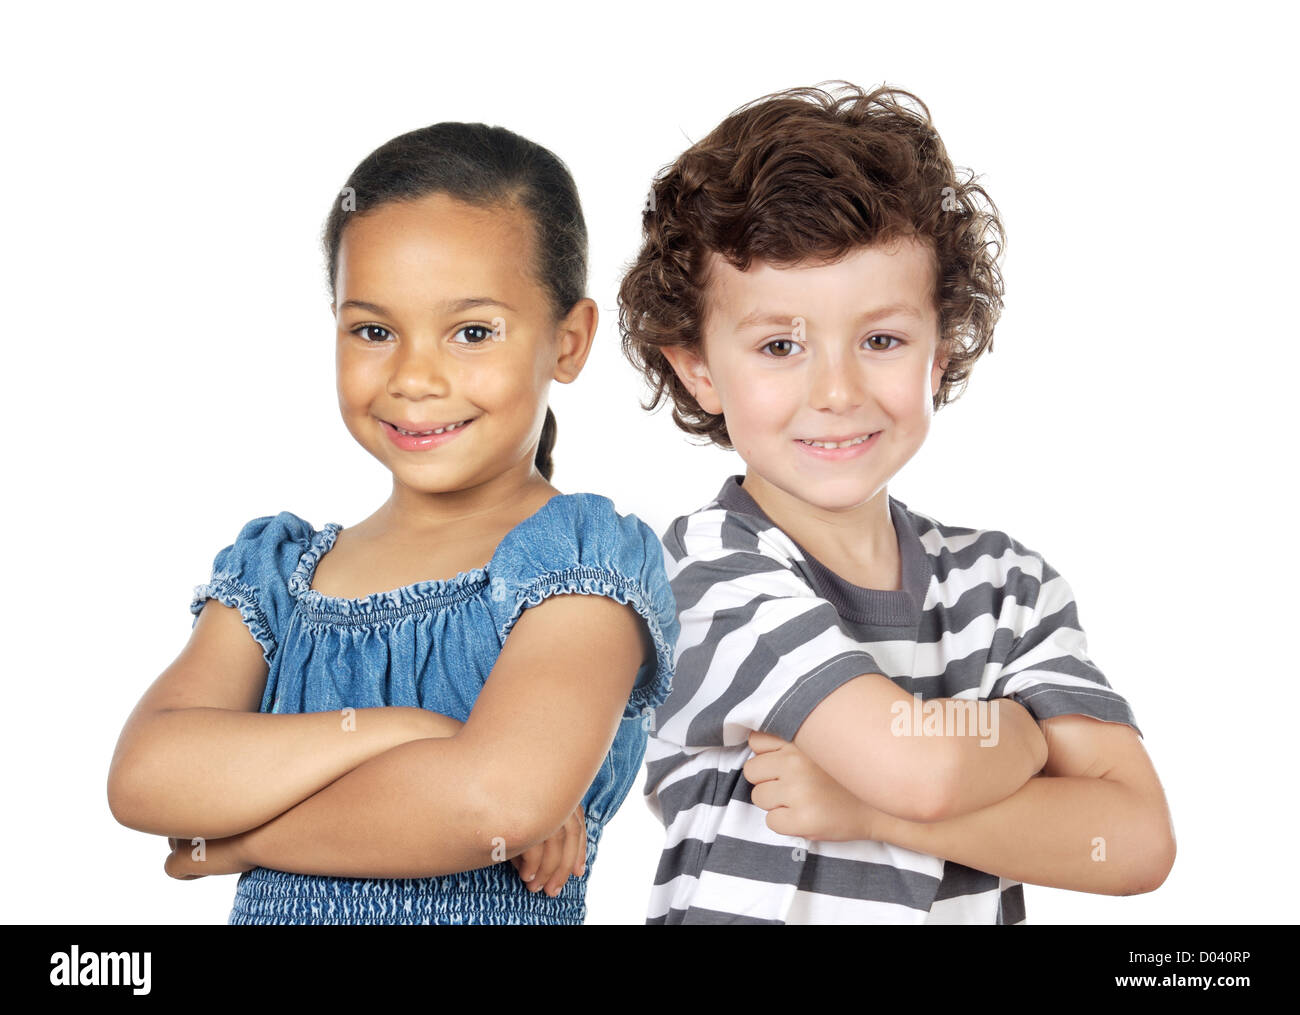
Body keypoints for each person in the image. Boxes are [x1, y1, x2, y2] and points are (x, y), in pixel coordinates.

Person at [618, 82, 1175, 924]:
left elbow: (1134, 840)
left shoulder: (1009, 586)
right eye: (779, 345)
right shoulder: (702, 571)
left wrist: (869, 815)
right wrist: (1017, 735)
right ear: (698, 367)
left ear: (942, 348)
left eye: (881, 340)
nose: (836, 390)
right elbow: (921, 768)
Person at [106, 121, 678, 925]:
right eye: (373, 330)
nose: (414, 377)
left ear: (570, 341)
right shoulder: (278, 572)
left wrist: (239, 842)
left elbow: (492, 802)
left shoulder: (584, 564)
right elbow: (146, 774)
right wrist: (412, 731)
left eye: (473, 332)